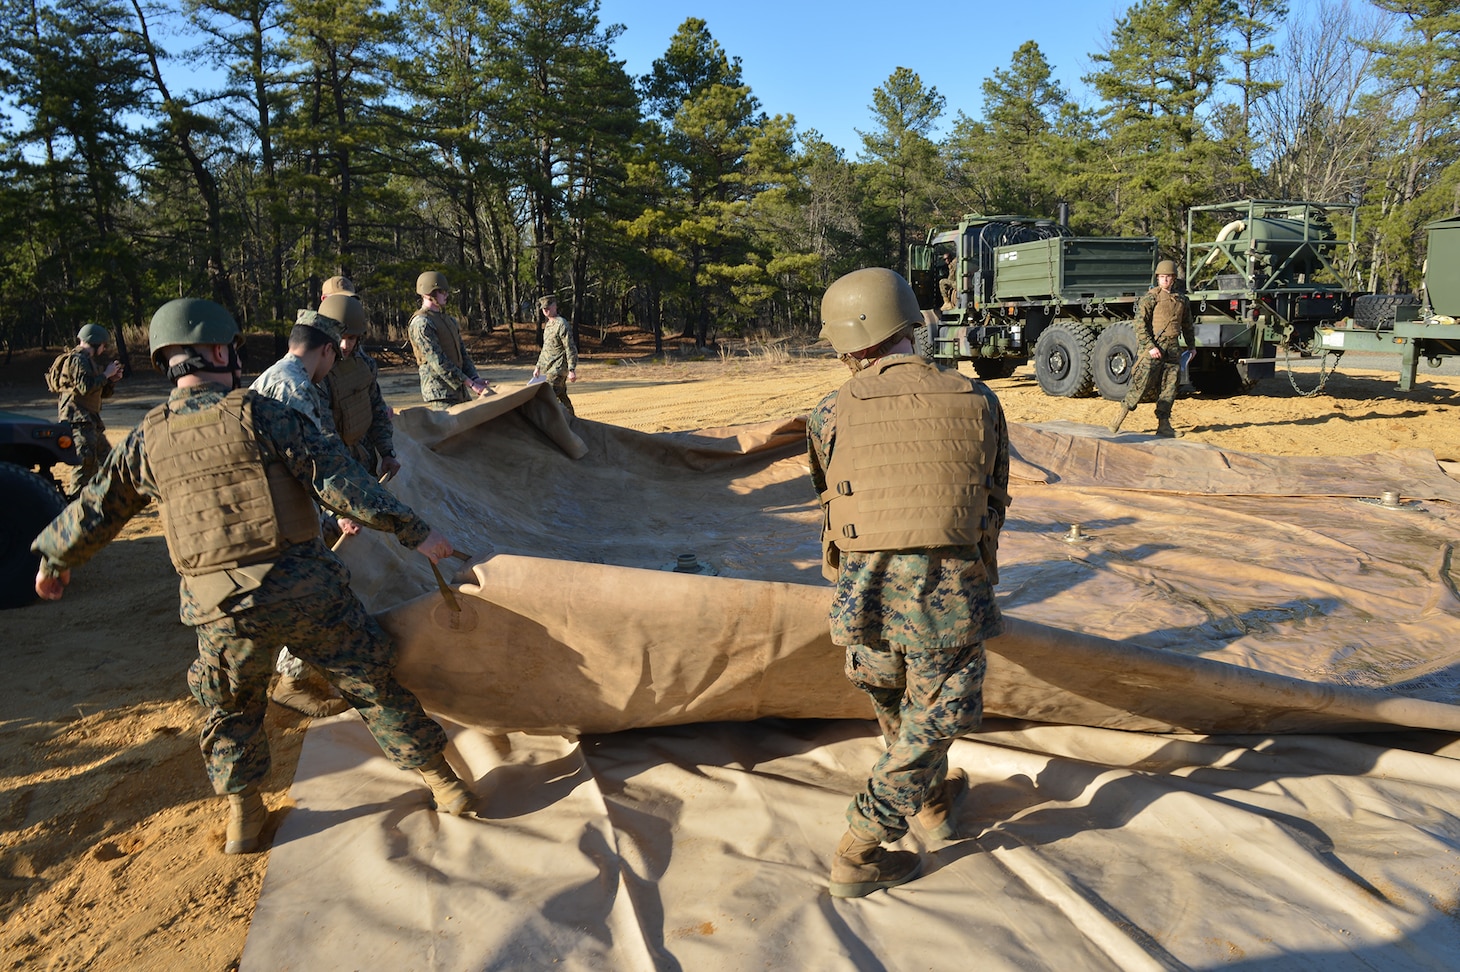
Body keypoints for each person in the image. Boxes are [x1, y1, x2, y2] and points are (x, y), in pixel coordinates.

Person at [32, 298, 476, 855]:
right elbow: (339, 481)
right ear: (221, 354)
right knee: (372, 683)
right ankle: (444, 783)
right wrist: (417, 533)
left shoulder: (146, 439)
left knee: (232, 709)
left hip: (221, 609)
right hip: (307, 591)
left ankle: (244, 818)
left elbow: (97, 507)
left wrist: (55, 561)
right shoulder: (262, 413)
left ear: (166, 359)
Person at [807, 267, 1010, 899]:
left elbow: (828, 495)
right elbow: (994, 496)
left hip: (863, 597)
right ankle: (861, 845)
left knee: (899, 708)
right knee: (933, 716)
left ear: (846, 345)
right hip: (948, 594)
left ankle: (931, 800)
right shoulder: (980, 400)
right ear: (911, 324)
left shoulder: (829, 411)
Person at [250, 305, 359, 717]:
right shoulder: (293, 388)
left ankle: (305, 670)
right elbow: (311, 465)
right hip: (284, 513)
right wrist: (337, 512)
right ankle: (292, 681)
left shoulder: (274, 377)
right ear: (327, 350)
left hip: (276, 507)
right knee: (316, 592)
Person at [1108, 259, 1195, 438]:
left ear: (1174, 278)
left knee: (1169, 387)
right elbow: (1140, 324)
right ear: (1158, 278)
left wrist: (1191, 346)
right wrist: (1149, 346)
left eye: (1168, 277)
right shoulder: (1150, 298)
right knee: (1141, 383)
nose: (1165, 280)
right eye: (1162, 277)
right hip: (1154, 346)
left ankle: (1164, 425)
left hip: (1173, 349)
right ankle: (1120, 416)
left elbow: (1187, 325)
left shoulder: (1181, 300)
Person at [321, 293, 400, 479]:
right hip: (337, 468)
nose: (345, 345)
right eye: (340, 337)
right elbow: (323, 432)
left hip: (366, 460)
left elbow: (377, 409)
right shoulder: (318, 373)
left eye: (351, 338)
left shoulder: (365, 365)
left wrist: (387, 453)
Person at [46, 323, 124, 499]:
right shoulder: (77, 360)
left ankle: (105, 500)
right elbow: (85, 387)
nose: (104, 349)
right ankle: (75, 504)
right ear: (95, 343)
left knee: (107, 461)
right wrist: (106, 374)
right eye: (103, 345)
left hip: (90, 422)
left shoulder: (88, 362)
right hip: (78, 422)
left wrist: (111, 380)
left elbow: (99, 392)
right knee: (85, 467)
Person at [408, 270, 492, 408]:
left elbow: (462, 354)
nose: (446, 295)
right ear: (428, 293)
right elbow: (438, 361)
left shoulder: (448, 320)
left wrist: (474, 378)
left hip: (459, 391)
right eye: (442, 291)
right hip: (441, 394)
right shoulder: (421, 323)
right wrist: (470, 383)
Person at [531, 294, 579, 415]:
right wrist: (538, 366)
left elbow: (570, 347)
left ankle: (551, 423)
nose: (545, 310)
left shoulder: (562, 324)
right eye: (543, 308)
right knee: (561, 395)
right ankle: (572, 420)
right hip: (549, 368)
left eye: (548, 307)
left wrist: (571, 369)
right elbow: (546, 348)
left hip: (558, 368)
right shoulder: (548, 325)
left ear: (555, 306)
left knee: (547, 397)